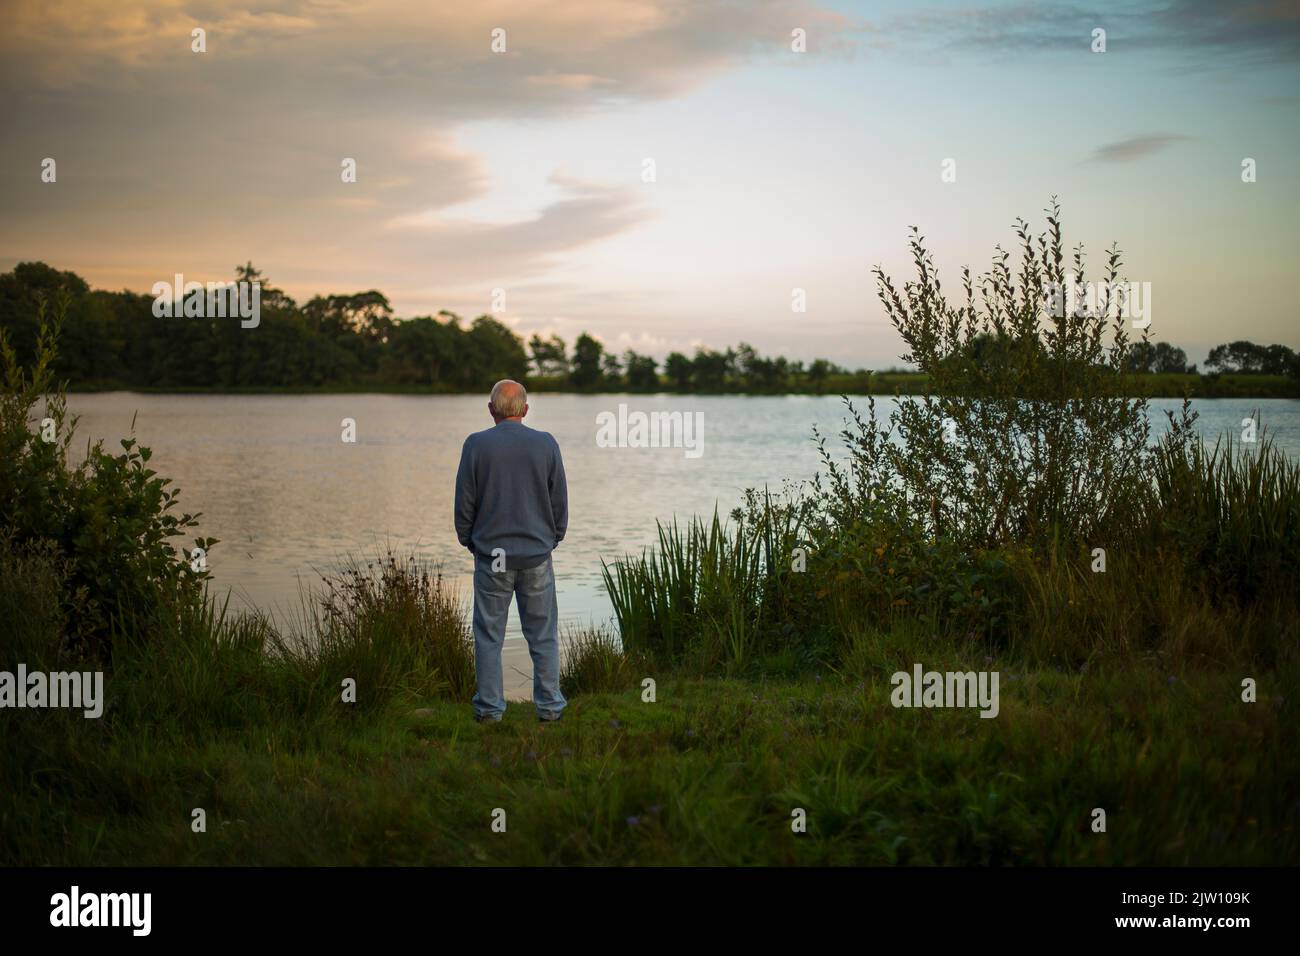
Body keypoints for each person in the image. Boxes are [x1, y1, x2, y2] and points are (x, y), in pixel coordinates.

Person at [454, 379, 568, 723]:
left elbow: (465, 502)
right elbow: (558, 500)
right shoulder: (545, 443)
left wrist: (469, 541)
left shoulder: (476, 445)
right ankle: (549, 708)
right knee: (543, 635)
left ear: (491, 410)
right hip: (535, 555)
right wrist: (553, 539)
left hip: (493, 556)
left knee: (489, 636)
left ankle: (490, 710)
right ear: (526, 410)